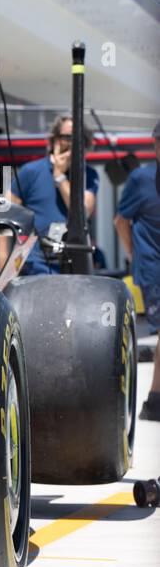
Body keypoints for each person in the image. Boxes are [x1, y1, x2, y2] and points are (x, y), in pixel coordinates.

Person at [0, 114, 99, 274]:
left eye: (79, 138)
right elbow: (3, 215)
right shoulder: (31, 171)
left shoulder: (89, 174)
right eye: (67, 137)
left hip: (73, 264)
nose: (73, 143)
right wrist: (3, 264)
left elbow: (83, 211)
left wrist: (60, 177)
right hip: (35, 264)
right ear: (55, 140)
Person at [114, 121, 160, 419]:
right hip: (154, 268)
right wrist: (134, 254)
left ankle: (154, 402)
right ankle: (154, 402)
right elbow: (121, 221)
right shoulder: (141, 179)